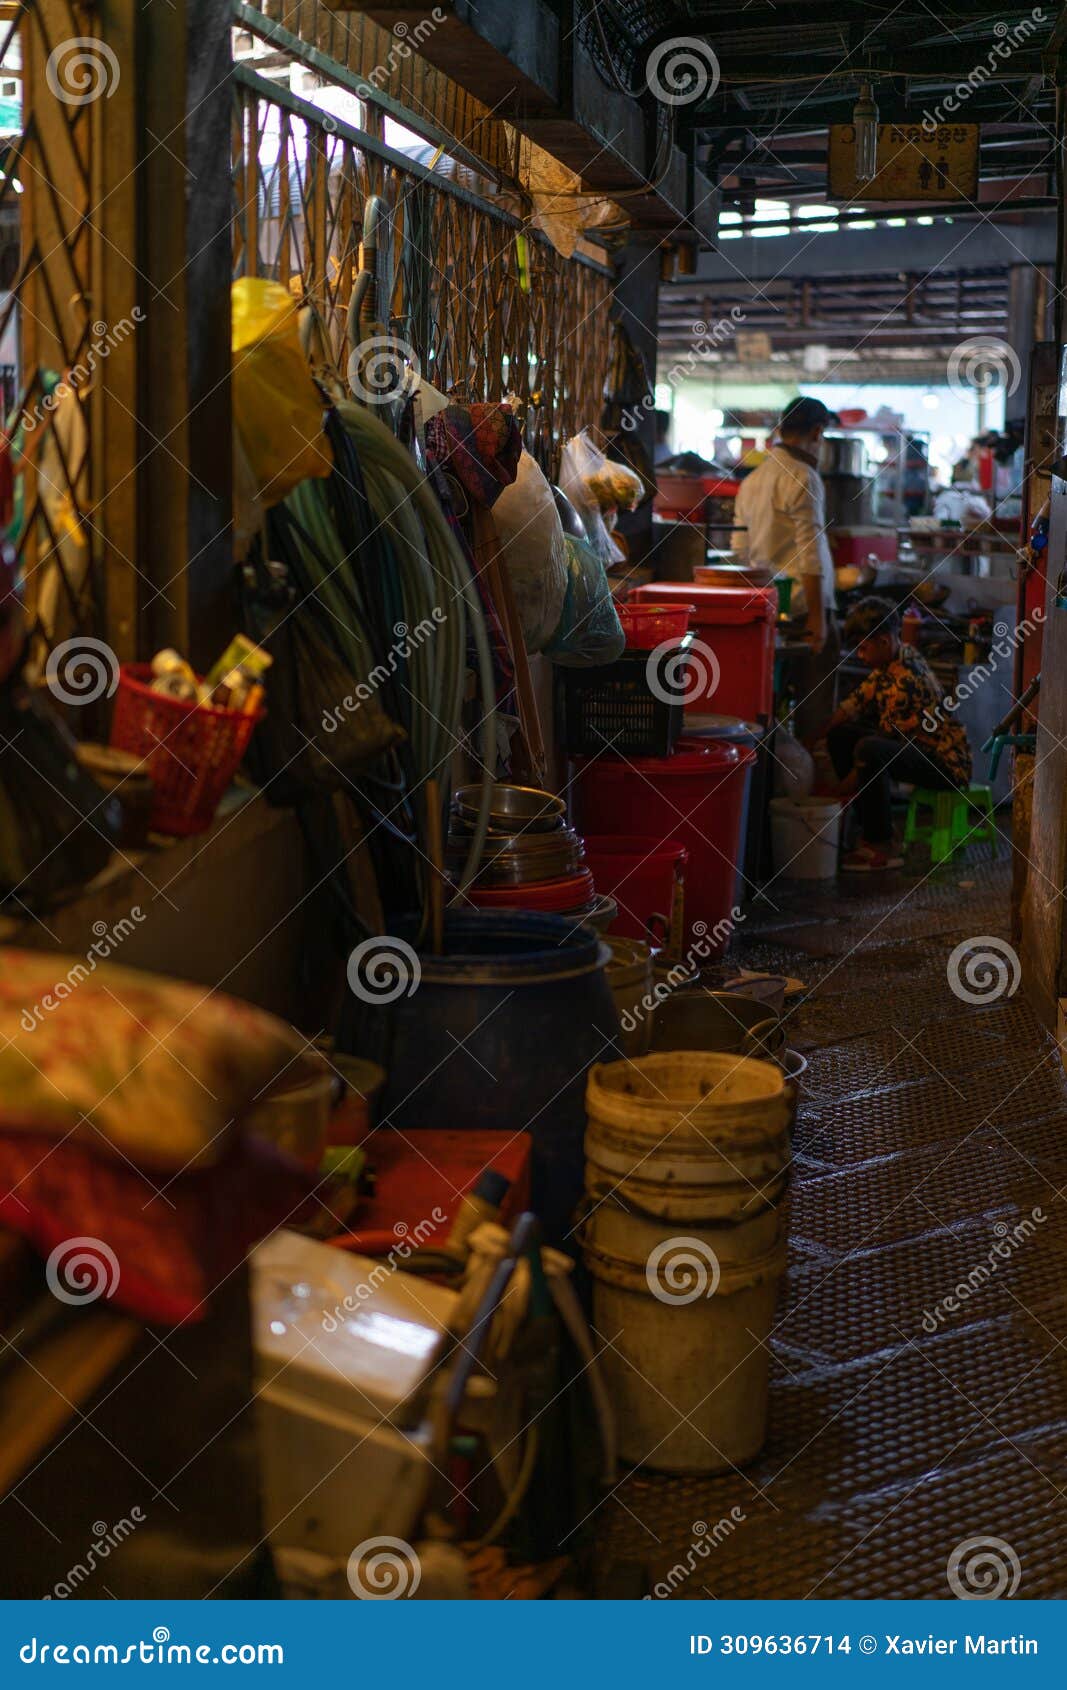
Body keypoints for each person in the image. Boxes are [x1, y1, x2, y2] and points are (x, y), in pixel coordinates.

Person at [825, 596, 971, 872]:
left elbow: (884, 744)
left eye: (863, 648)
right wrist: (812, 739)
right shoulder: (891, 659)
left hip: (946, 764)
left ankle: (882, 845)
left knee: (870, 750)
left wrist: (833, 794)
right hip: (917, 749)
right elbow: (853, 704)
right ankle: (862, 825)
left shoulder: (905, 680)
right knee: (841, 736)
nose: (860, 655)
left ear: (883, 641)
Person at [731, 396, 837, 737]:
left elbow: (739, 550)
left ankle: (775, 766)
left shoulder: (752, 480)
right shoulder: (804, 476)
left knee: (768, 697)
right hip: (805, 608)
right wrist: (819, 621)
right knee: (814, 701)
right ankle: (810, 761)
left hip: (768, 606)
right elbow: (811, 552)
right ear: (817, 433)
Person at [933, 461, 992, 528]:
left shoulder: (946, 494)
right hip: (965, 531)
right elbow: (987, 516)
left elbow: (939, 519)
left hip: (954, 531)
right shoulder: (975, 493)